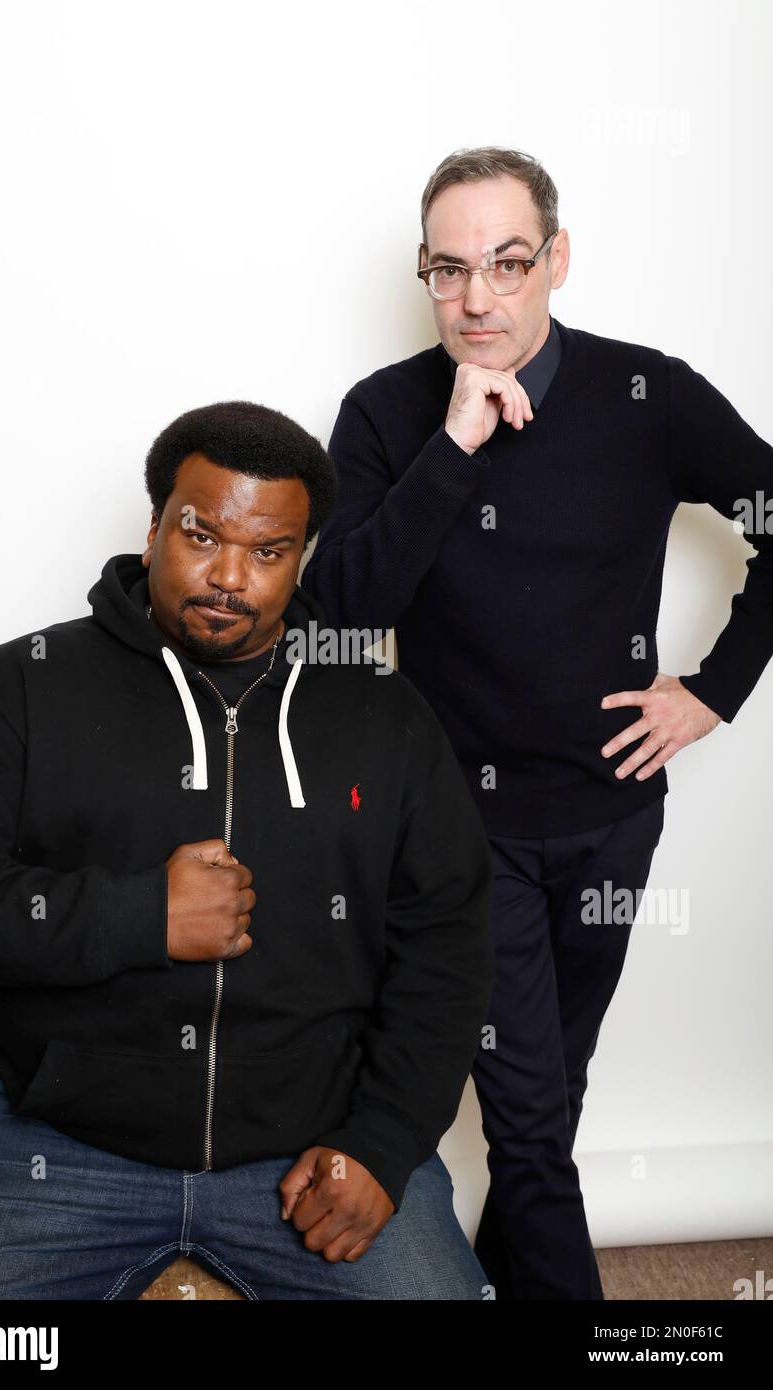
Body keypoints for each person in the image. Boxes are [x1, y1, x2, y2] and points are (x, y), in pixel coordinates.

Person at [300, 146, 773, 1299]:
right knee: (522, 1125)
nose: (477, 299)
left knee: (548, 1100)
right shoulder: (385, 410)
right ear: (424, 274)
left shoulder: (645, 396)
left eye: (506, 264)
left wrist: (711, 691)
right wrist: (454, 446)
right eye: (449, 270)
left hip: (613, 816)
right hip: (458, 828)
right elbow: (339, 611)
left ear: (553, 260)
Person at [0, 401, 495, 1301]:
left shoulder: (384, 715)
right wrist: (142, 916)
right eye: (201, 535)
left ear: (302, 558)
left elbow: (448, 946)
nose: (229, 576)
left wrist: (381, 1142)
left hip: (312, 1145)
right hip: (55, 1137)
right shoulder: (28, 683)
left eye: (268, 552)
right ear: (152, 530)